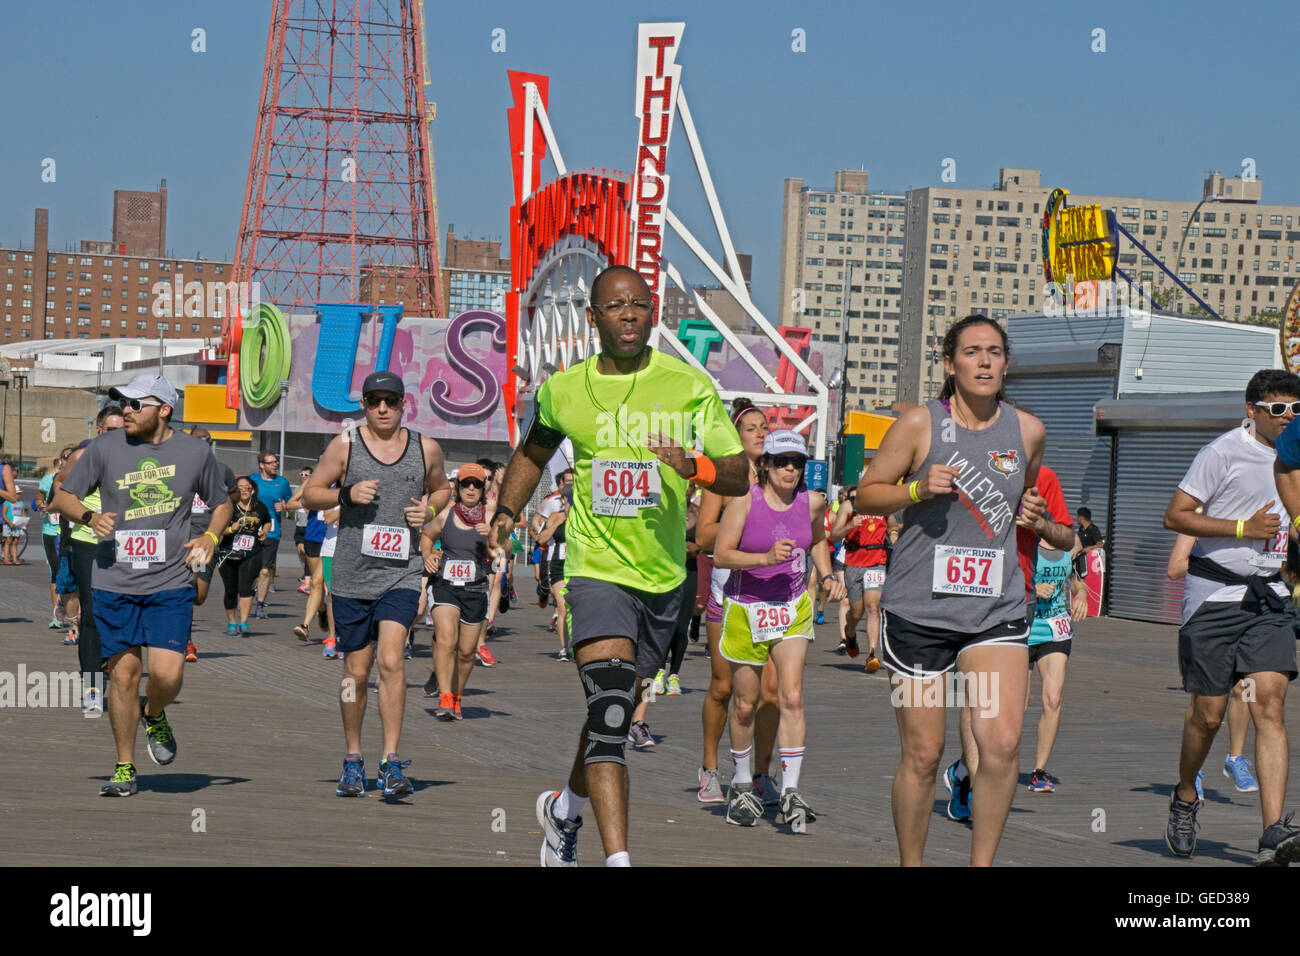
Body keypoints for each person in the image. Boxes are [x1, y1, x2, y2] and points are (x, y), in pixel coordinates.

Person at [492, 264, 750, 866]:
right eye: (614, 306)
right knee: (612, 711)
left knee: (605, 714)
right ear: (594, 318)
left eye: (638, 304)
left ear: (652, 312)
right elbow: (533, 452)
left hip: (664, 579)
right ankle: (618, 861)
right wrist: (507, 510)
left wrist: (698, 467)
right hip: (595, 569)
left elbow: (738, 471)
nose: (628, 314)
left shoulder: (689, 387)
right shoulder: (564, 390)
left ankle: (563, 812)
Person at [857, 314, 1047, 866]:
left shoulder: (1027, 431)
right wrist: (915, 488)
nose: (984, 362)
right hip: (918, 611)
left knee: (1003, 744)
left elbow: (1023, 500)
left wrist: (1031, 512)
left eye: (994, 352)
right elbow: (866, 495)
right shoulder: (919, 424)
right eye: (971, 352)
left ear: (1007, 364)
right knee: (922, 752)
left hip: (996, 610)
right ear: (950, 364)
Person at [52, 374, 232, 797]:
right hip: (114, 578)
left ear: (164, 409)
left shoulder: (194, 451)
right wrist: (87, 516)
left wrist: (210, 537)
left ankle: (155, 713)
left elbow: (222, 503)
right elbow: (61, 496)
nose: (126, 411)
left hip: (170, 581)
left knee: (168, 676)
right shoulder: (104, 448)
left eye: (136, 404)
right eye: (123, 404)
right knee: (124, 676)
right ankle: (124, 767)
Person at [1165, 369, 1300, 864]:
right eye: (1278, 408)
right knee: (1209, 715)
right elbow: (1175, 515)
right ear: (1252, 409)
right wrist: (1243, 527)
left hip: (1270, 599)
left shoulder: (1298, 458)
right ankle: (1184, 796)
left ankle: (1272, 831)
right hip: (1215, 595)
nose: (1288, 418)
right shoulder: (1223, 451)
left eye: (1296, 409)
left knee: (1270, 702)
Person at [302, 371, 450, 799]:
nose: (382, 408)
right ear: (363, 405)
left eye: (390, 400)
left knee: (391, 660)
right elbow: (310, 494)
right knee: (356, 671)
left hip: (401, 571)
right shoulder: (346, 444)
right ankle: (352, 758)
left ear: (404, 404)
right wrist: (345, 495)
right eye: (373, 400)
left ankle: (390, 760)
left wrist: (429, 510)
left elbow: (442, 491)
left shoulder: (426, 447)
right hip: (351, 573)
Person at [714, 430, 844, 828]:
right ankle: (740, 784)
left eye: (798, 462)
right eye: (782, 460)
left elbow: (818, 539)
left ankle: (790, 792)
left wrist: (826, 575)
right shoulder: (743, 501)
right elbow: (720, 553)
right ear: (765, 464)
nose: (790, 468)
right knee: (747, 703)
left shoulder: (812, 503)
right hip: (746, 607)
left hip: (791, 607)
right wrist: (764, 557)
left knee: (791, 696)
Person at [943, 461, 1075, 822]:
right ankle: (972, 786)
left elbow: (1067, 537)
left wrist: (1039, 524)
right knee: (976, 696)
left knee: (1010, 706)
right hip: (964, 592)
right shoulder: (958, 464)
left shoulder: (1042, 476)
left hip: (1019, 598)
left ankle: (965, 770)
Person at [694, 398, 782, 805]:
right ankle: (710, 769)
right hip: (727, 596)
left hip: (769, 597)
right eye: (751, 428)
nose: (761, 433)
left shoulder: (782, 477)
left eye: (765, 427)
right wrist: (742, 529)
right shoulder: (724, 479)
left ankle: (760, 773)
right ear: (735, 436)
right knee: (723, 687)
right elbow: (703, 536)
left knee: (769, 692)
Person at [1167, 532, 1260, 795]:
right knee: (1201, 701)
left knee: (1245, 687)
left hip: (1250, 612)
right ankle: (1193, 770)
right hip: (1207, 612)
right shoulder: (1201, 515)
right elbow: (1174, 569)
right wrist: (1222, 560)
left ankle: (1235, 759)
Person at [421, 462, 500, 720]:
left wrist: (492, 537)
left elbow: (505, 550)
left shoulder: (490, 517)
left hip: (476, 588)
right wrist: (428, 554)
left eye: (476, 484)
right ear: (457, 486)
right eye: (465, 483)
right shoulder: (446, 514)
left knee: (466, 652)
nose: (470, 488)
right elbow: (426, 536)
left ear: (482, 489)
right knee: (446, 639)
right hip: (445, 586)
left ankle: (456, 695)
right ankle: (444, 697)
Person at [62, 405, 126, 689]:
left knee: (120, 610)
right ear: (99, 430)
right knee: (91, 609)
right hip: (87, 540)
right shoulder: (82, 457)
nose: (117, 434)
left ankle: (109, 661)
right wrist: (88, 516)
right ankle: (92, 682)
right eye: (111, 429)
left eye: (122, 429)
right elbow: (59, 495)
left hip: (125, 542)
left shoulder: (135, 458)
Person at [1023, 525, 1088, 793]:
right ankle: (996, 763)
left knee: (1053, 698)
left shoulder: (1072, 544)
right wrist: (1032, 589)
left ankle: (1039, 771)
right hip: (1022, 628)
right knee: (1018, 706)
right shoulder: (1024, 540)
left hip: (1055, 627)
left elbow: (1076, 580)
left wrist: (1081, 594)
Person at [830, 487, 896, 672]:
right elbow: (834, 534)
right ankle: (850, 633)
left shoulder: (882, 506)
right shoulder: (848, 507)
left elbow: (892, 525)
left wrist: (893, 535)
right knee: (856, 612)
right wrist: (850, 526)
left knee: (874, 609)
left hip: (877, 561)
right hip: (854, 562)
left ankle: (872, 655)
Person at [186, 428, 238, 662]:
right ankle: (186, 642)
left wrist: (220, 504)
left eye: (204, 442)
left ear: (210, 443)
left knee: (199, 596)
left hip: (208, 538)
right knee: (185, 590)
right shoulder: (180, 466)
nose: (200, 446)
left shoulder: (221, 470)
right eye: (195, 442)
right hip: (184, 537)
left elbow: (234, 495)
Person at [217, 476, 272, 634]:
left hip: (252, 552)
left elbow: (267, 521)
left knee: (245, 587)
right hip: (228, 554)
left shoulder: (260, 507)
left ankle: (245, 622)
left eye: (246, 487)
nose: (244, 490)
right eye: (239, 487)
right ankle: (232, 623)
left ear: (252, 489)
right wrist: (231, 529)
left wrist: (265, 531)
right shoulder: (228, 507)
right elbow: (218, 529)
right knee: (231, 590)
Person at [533, 469, 574, 660]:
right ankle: (565, 648)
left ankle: (576, 643)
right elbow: (542, 538)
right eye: (566, 500)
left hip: (578, 564)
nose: (569, 503)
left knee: (578, 608)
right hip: (559, 564)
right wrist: (558, 523)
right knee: (563, 606)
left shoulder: (584, 519)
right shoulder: (556, 517)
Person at [249, 450, 292, 619]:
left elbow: (291, 501)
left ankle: (259, 605)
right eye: (271, 462)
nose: (275, 465)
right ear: (261, 465)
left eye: (276, 462)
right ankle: (245, 594)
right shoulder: (252, 480)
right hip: (252, 530)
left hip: (272, 532)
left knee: (265, 571)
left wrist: (286, 507)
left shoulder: (282, 483)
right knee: (251, 569)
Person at [287, 479, 329, 642]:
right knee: (315, 584)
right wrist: (309, 504)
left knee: (320, 581)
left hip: (332, 538)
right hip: (313, 536)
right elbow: (291, 503)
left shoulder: (342, 481)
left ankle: (306, 625)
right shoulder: (313, 482)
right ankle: (322, 609)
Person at [37, 449, 74, 626]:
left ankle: (72, 611)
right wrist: (43, 506)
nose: (68, 459)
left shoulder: (83, 476)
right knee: (56, 570)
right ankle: (56, 613)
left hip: (72, 530)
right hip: (51, 530)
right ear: (60, 460)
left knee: (70, 572)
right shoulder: (48, 479)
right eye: (66, 456)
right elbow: (38, 501)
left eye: (72, 455)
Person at [294, 465, 314, 591]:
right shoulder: (298, 489)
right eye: (302, 474)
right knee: (300, 551)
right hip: (299, 525)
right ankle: (306, 572)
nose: (304, 477)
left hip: (308, 525)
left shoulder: (313, 489)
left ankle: (308, 575)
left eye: (306, 475)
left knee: (304, 550)